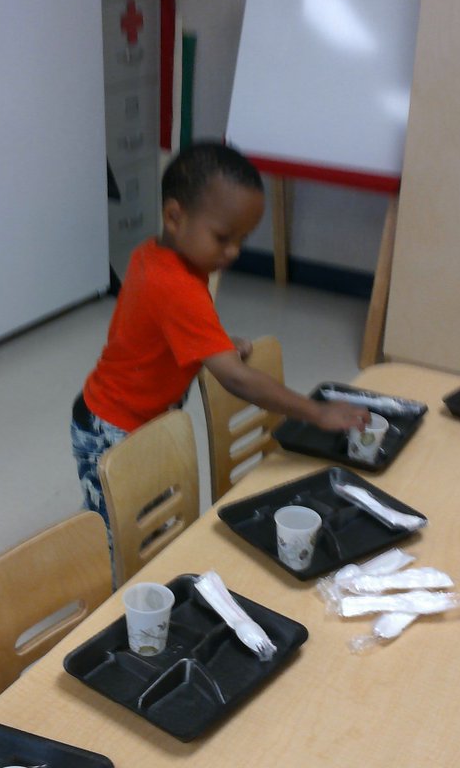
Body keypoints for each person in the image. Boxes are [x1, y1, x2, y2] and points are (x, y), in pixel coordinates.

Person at [71, 141, 371, 532]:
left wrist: (217, 342)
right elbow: (235, 377)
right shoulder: (176, 285)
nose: (233, 252)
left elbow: (167, 327)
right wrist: (316, 413)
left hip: (137, 418)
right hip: (111, 428)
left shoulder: (155, 254)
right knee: (124, 534)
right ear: (175, 217)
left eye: (242, 240)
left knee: (141, 515)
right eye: (223, 237)